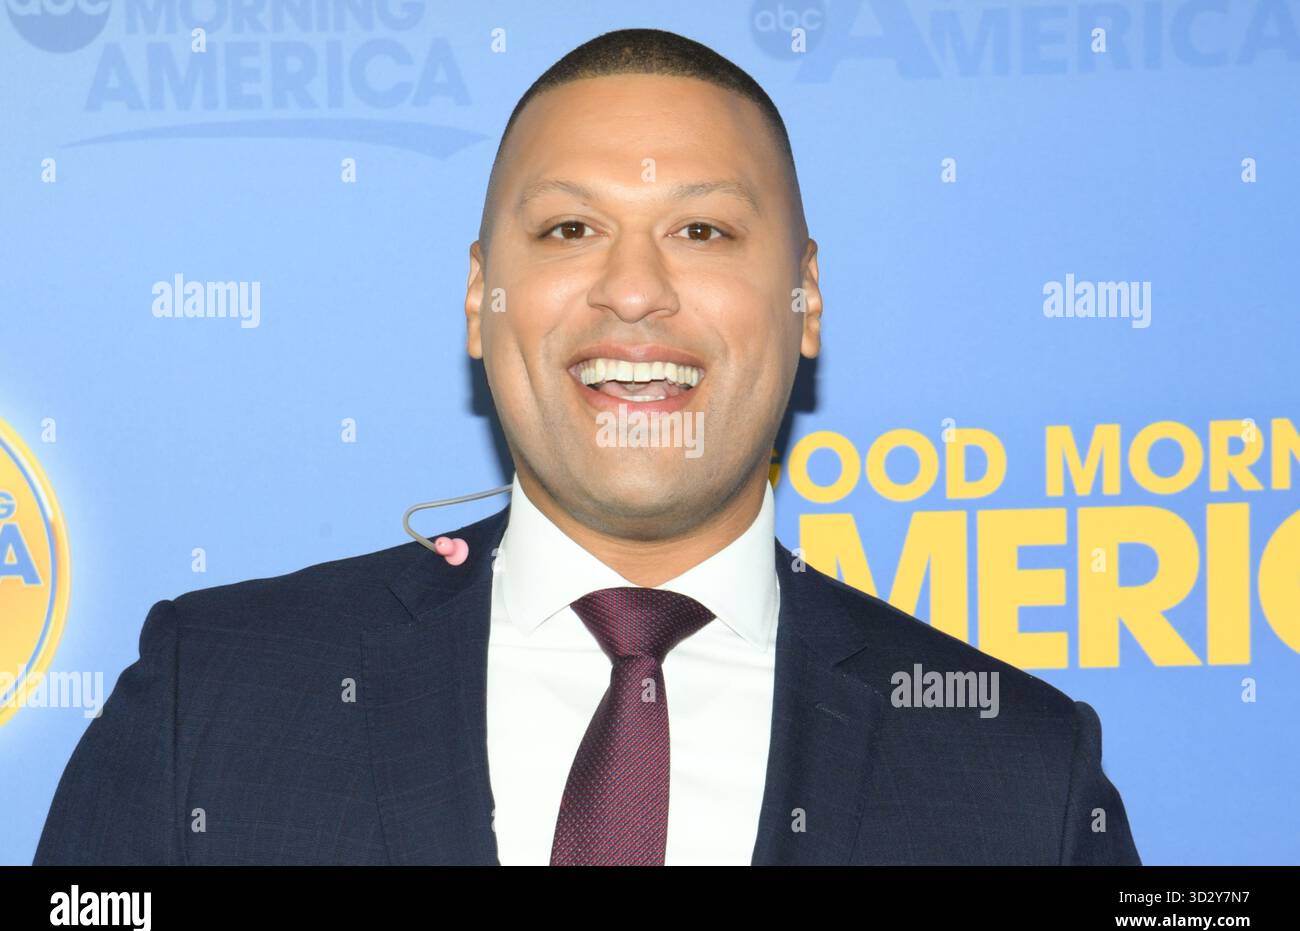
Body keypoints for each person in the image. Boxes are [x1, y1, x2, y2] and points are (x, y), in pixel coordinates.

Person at [33, 28, 1140, 866]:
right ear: (481, 299)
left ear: (805, 298)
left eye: (702, 231)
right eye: (569, 230)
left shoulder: (1019, 775)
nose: (633, 291)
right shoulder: (211, 698)